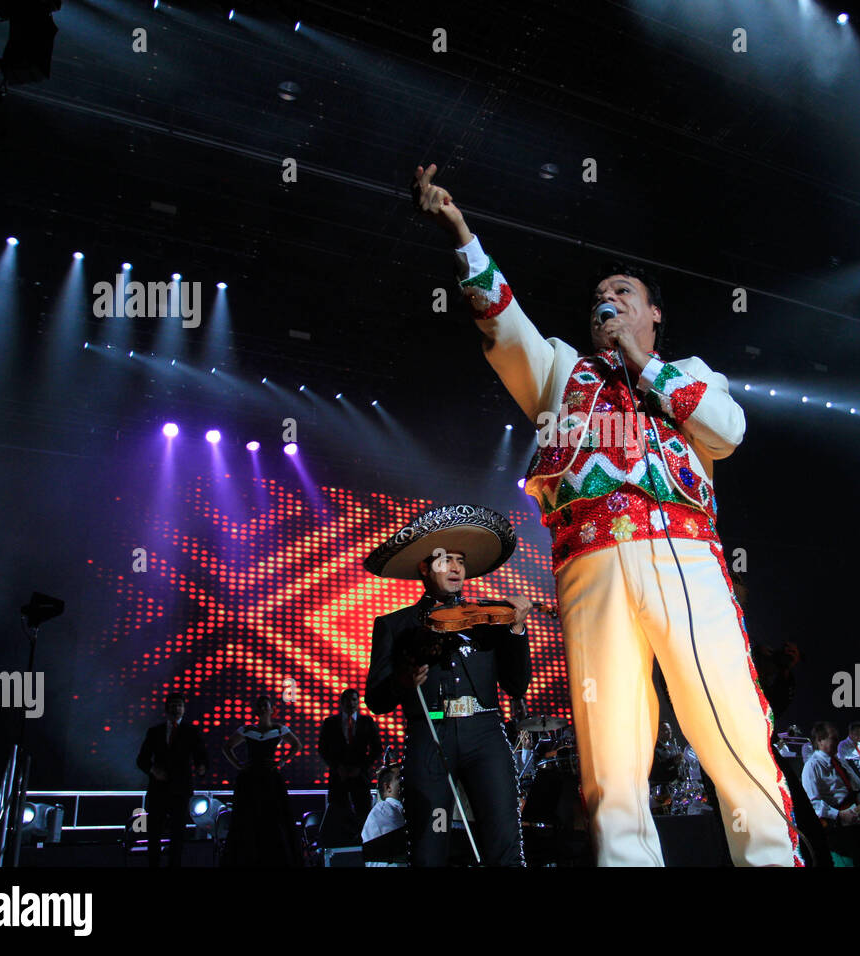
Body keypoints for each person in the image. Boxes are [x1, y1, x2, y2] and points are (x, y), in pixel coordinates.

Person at [410, 162, 798, 868]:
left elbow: (727, 432)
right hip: (589, 561)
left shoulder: (695, 374)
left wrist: (643, 367)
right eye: (598, 297)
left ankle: (769, 861)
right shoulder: (561, 369)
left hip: (681, 551)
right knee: (611, 751)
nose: (606, 302)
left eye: (622, 293)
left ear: (654, 313)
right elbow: (503, 327)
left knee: (729, 723)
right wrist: (463, 237)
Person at [363, 504, 533, 866]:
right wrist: (402, 682)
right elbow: (376, 700)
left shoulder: (487, 619)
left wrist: (516, 630)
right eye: (444, 560)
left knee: (503, 838)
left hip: (484, 732)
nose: (455, 568)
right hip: (429, 733)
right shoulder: (395, 625)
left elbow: (517, 686)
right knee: (429, 843)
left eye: (460, 560)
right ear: (425, 568)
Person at [221, 695, 303, 866]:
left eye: (266, 705)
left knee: (274, 816)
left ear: (272, 709)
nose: (264, 708)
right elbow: (227, 747)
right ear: (256, 710)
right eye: (260, 706)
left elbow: (296, 745)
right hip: (250, 778)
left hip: (270, 778)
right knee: (247, 816)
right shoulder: (247, 729)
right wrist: (238, 765)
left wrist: (281, 761)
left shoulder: (279, 729)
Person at [136, 691, 208, 867]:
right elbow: (142, 760)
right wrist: (153, 770)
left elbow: (201, 755)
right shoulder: (155, 732)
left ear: (184, 709)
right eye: (173, 705)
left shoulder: (191, 731)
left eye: (180, 705)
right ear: (167, 708)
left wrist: (201, 767)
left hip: (180, 790)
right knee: (154, 834)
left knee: (178, 835)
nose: (176, 708)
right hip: (158, 789)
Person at [802, 721, 860, 866]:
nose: (837, 742)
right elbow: (813, 803)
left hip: (855, 828)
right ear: (820, 740)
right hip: (836, 833)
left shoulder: (840, 762)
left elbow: (859, 791)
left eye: (837, 738)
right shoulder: (812, 766)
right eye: (832, 738)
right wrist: (839, 815)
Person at [318, 688, 381, 843]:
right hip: (338, 777)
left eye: (354, 700)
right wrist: (337, 767)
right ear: (342, 702)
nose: (351, 703)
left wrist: (362, 768)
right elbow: (323, 749)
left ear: (358, 702)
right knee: (338, 813)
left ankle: (365, 847)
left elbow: (377, 748)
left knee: (363, 814)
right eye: (347, 700)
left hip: (360, 777)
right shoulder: (330, 722)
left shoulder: (367, 722)